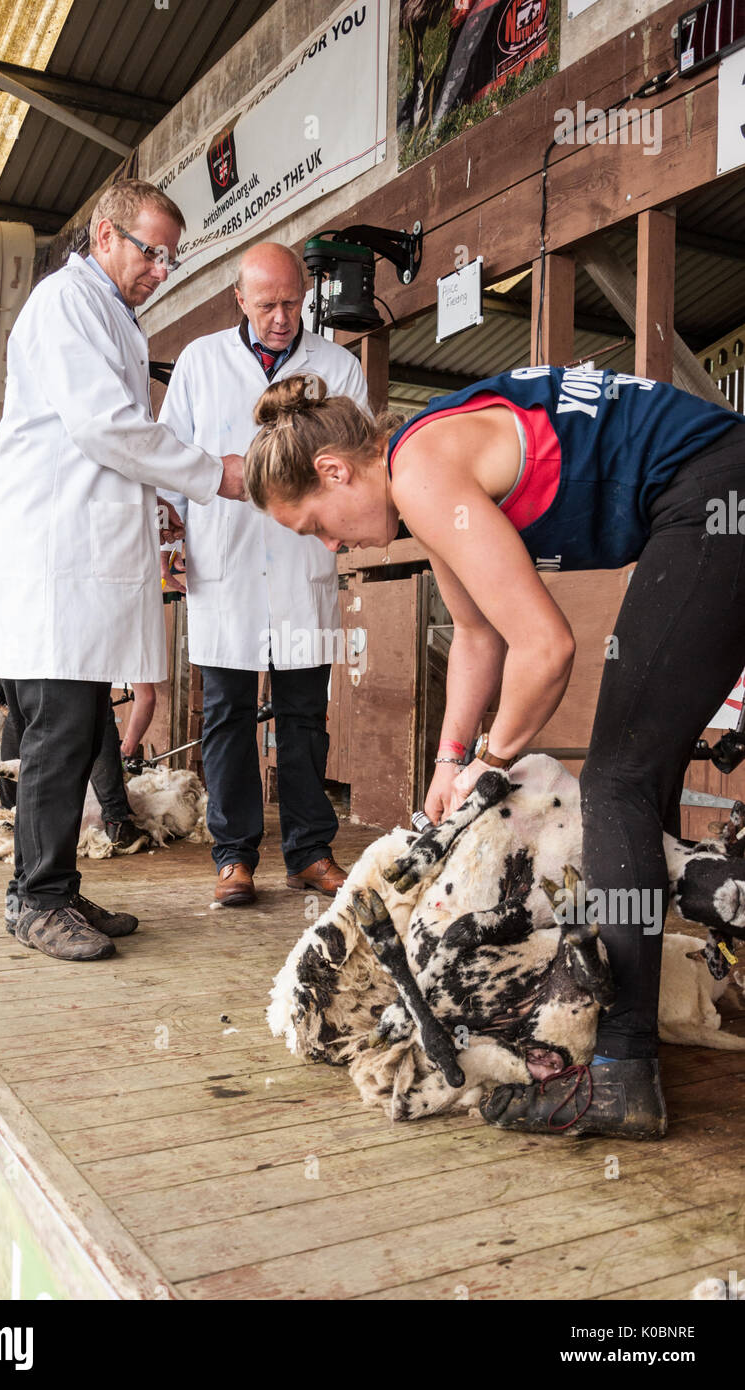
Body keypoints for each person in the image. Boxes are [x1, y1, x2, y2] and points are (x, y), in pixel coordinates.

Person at [244, 365, 745, 1140]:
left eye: (315, 523)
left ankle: (621, 1074)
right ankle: (633, 1025)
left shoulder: (420, 472)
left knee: (614, 782)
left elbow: (545, 647)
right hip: (712, 494)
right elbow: (479, 635)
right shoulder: (422, 467)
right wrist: (451, 762)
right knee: (638, 776)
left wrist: (495, 757)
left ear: (334, 470)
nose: (333, 544)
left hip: (717, 496)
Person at [0, 178, 246, 964]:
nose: (161, 268)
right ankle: (35, 899)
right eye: (151, 251)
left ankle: (54, 883)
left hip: (84, 556)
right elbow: (106, 426)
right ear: (104, 236)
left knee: (80, 724)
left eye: (170, 256)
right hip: (57, 559)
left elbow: (111, 441)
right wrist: (211, 474)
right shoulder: (67, 302)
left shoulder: (108, 314)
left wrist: (157, 501)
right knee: (60, 734)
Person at [159, 242, 369, 906]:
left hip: (302, 561)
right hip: (221, 560)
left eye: (292, 303)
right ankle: (234, 856)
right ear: (240, 300)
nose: (281, 317)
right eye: (268, 303)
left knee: (305, 714)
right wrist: (169, 530)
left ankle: (308, 850)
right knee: (226, 713)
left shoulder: (337, 366)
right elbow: (169, 456)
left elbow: (359, 459)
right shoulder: (199, 361)